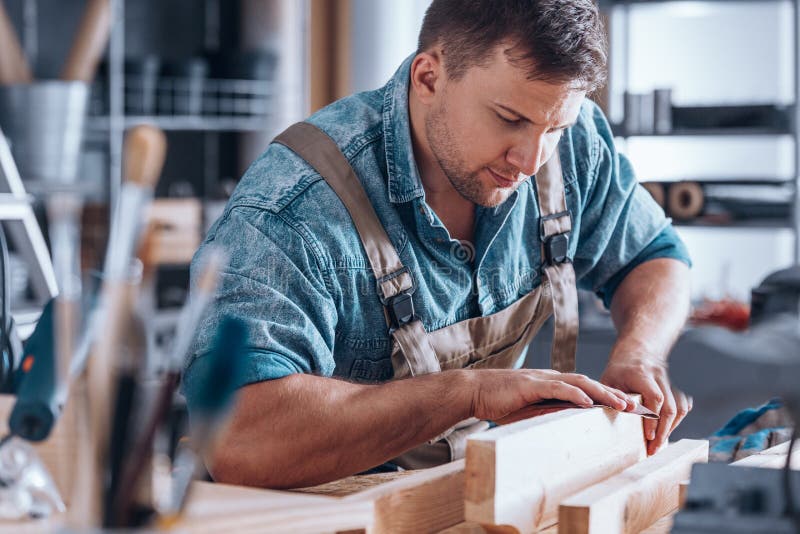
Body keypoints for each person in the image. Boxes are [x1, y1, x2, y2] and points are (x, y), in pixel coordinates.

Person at [182, 0, 692, 489]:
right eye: (509, 119)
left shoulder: (564, 141)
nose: (532, 160)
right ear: (429, 77)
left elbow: (653, 256)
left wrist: (641, 353)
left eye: (555, 127)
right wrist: (467, 393)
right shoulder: (294, 210)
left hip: (467, 499)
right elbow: (238, 439)